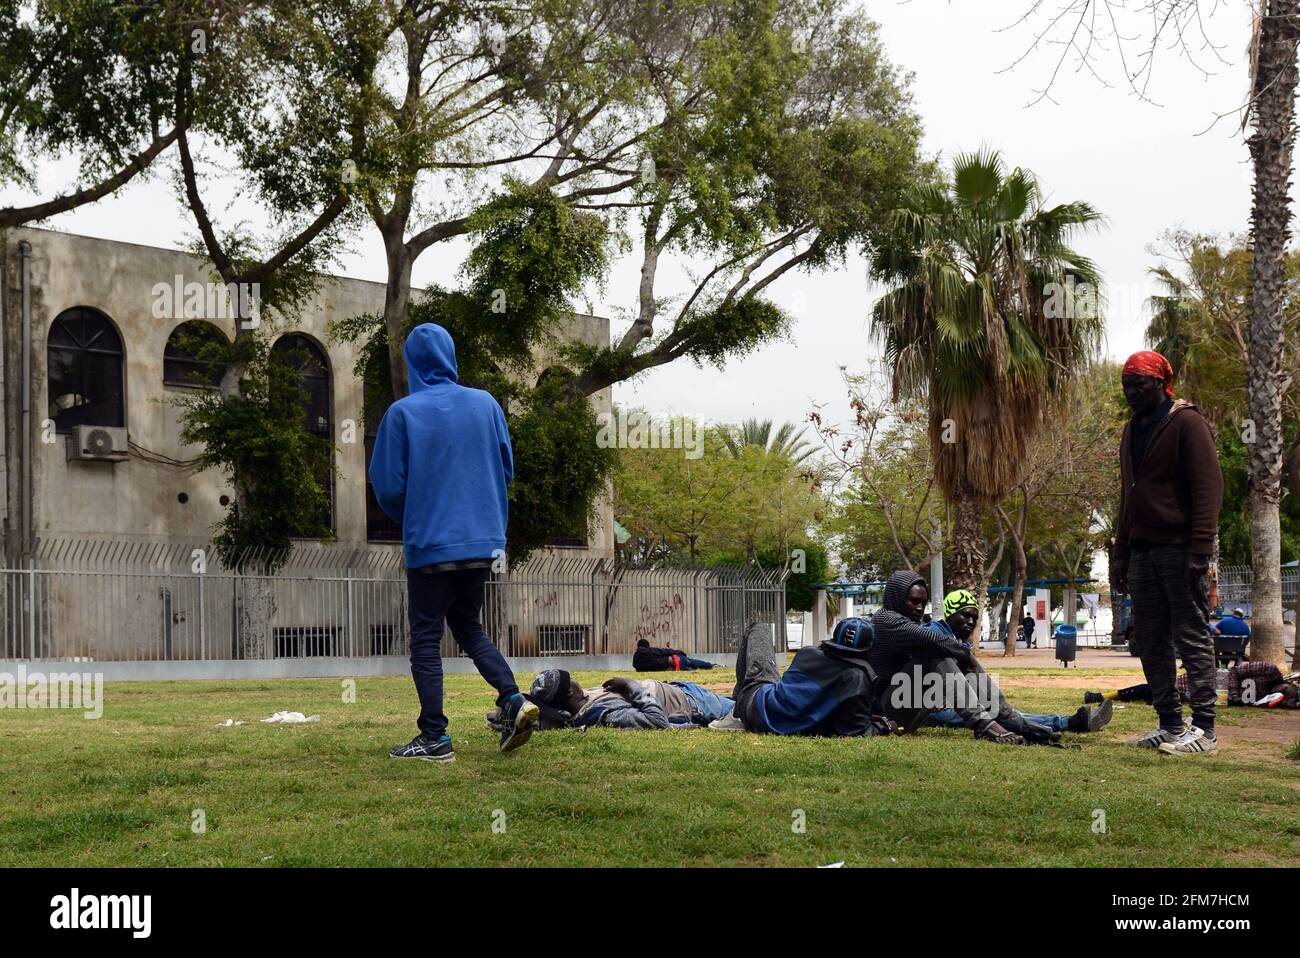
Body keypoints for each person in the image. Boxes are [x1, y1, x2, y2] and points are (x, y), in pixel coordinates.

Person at [370, 322, 539, 763]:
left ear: (411, 363)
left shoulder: (402, 413)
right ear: (451, 357)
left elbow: (387, 486)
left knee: (426, 637)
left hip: (430, 542)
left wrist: (414, 517)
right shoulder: (486, 404)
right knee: (468, 626)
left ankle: (434, 737)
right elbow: (505, 467)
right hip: (482, 542)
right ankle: (514, 700)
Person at [1113, 350, 1223, 755]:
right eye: (1126, 386)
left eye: (1137, 385)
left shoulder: (1187, 423)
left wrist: (1200, 550)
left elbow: (1208, 490)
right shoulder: (1132, 429)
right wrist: (1121, 552)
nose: (1131, 393)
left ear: (1159, 384)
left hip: (1180, 548)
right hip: (1142, 549)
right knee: (1149, 637)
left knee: (1191, 634)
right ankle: (1170, 723)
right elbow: (1127, 497)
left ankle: (1205, 729)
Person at [869, 570, 1040, 745]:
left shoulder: (907, 623)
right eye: (913, 601)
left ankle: (1005, 715)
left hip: (906, 707)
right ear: (896, 597)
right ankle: (983, 723)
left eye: (922, 602)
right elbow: (934, 640)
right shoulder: (885, 620)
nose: (919, 608)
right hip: (886, 712)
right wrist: (965, 655)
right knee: (935, 653)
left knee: (942, 652)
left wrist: (963, 657)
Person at [923, 590, 1113, 736]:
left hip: (949, 703)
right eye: (965, 615)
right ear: (949, 614)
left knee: (1000, 711)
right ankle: (1067, 723)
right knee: (992, 714)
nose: (970, 622)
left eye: (974, 617)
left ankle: (1066, 722)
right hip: (927, 708)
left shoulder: (959, 641)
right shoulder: (935, 632)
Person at [721, 617, 891, 737]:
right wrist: (885, 726)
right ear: (870, 651)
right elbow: (854, 730)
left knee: (758, 627)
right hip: (763, 711)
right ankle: (736, 708)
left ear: (833, 640)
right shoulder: (859, 679)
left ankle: (736, 709)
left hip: (755, 703)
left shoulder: (807, 653)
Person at [487, 669, 734, 730]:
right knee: (750, 703)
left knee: (740, 695)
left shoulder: (582, 700)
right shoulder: (603, 713)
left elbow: (540, 710)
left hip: (681, 690)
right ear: (569, 693)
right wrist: (630, 686)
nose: (575, 680)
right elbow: (657, 721)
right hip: (693, 703)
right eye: (570, 679)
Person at [1084, 663, 1299, 709]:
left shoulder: (1266, 698)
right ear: (1289, 683)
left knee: (1157, 697)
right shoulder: (1271, 671)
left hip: (1205, 695)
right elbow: (1237, 670)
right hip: (1208, 680)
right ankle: (1101, 696)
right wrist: (1232, 692)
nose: (1281, 695)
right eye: (1286, 692)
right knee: (1154, 687)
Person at [632, 638, 717, 672]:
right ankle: (711, 666)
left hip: (675, 668)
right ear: (647, 646)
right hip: (676, 660)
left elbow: (637, 668)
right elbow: (665, 651)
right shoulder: (650, 651)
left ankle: (710, 667)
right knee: (695, 663)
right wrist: (680, 652)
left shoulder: (637, 662)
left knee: (694, 670)